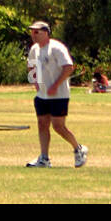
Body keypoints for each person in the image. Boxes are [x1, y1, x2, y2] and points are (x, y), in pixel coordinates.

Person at [25, 21, 88, 168]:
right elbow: (31, 66)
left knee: (58, 126)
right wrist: (34, 81)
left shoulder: (56, 48)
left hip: (59, 95)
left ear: (46, 33)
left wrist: (55, 85)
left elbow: (68, 67)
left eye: (37, 32)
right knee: (42, 124)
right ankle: (44, 158)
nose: (33, 35)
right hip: (42, 95)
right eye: (32, 32)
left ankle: (78, 149)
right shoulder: (34, 49)